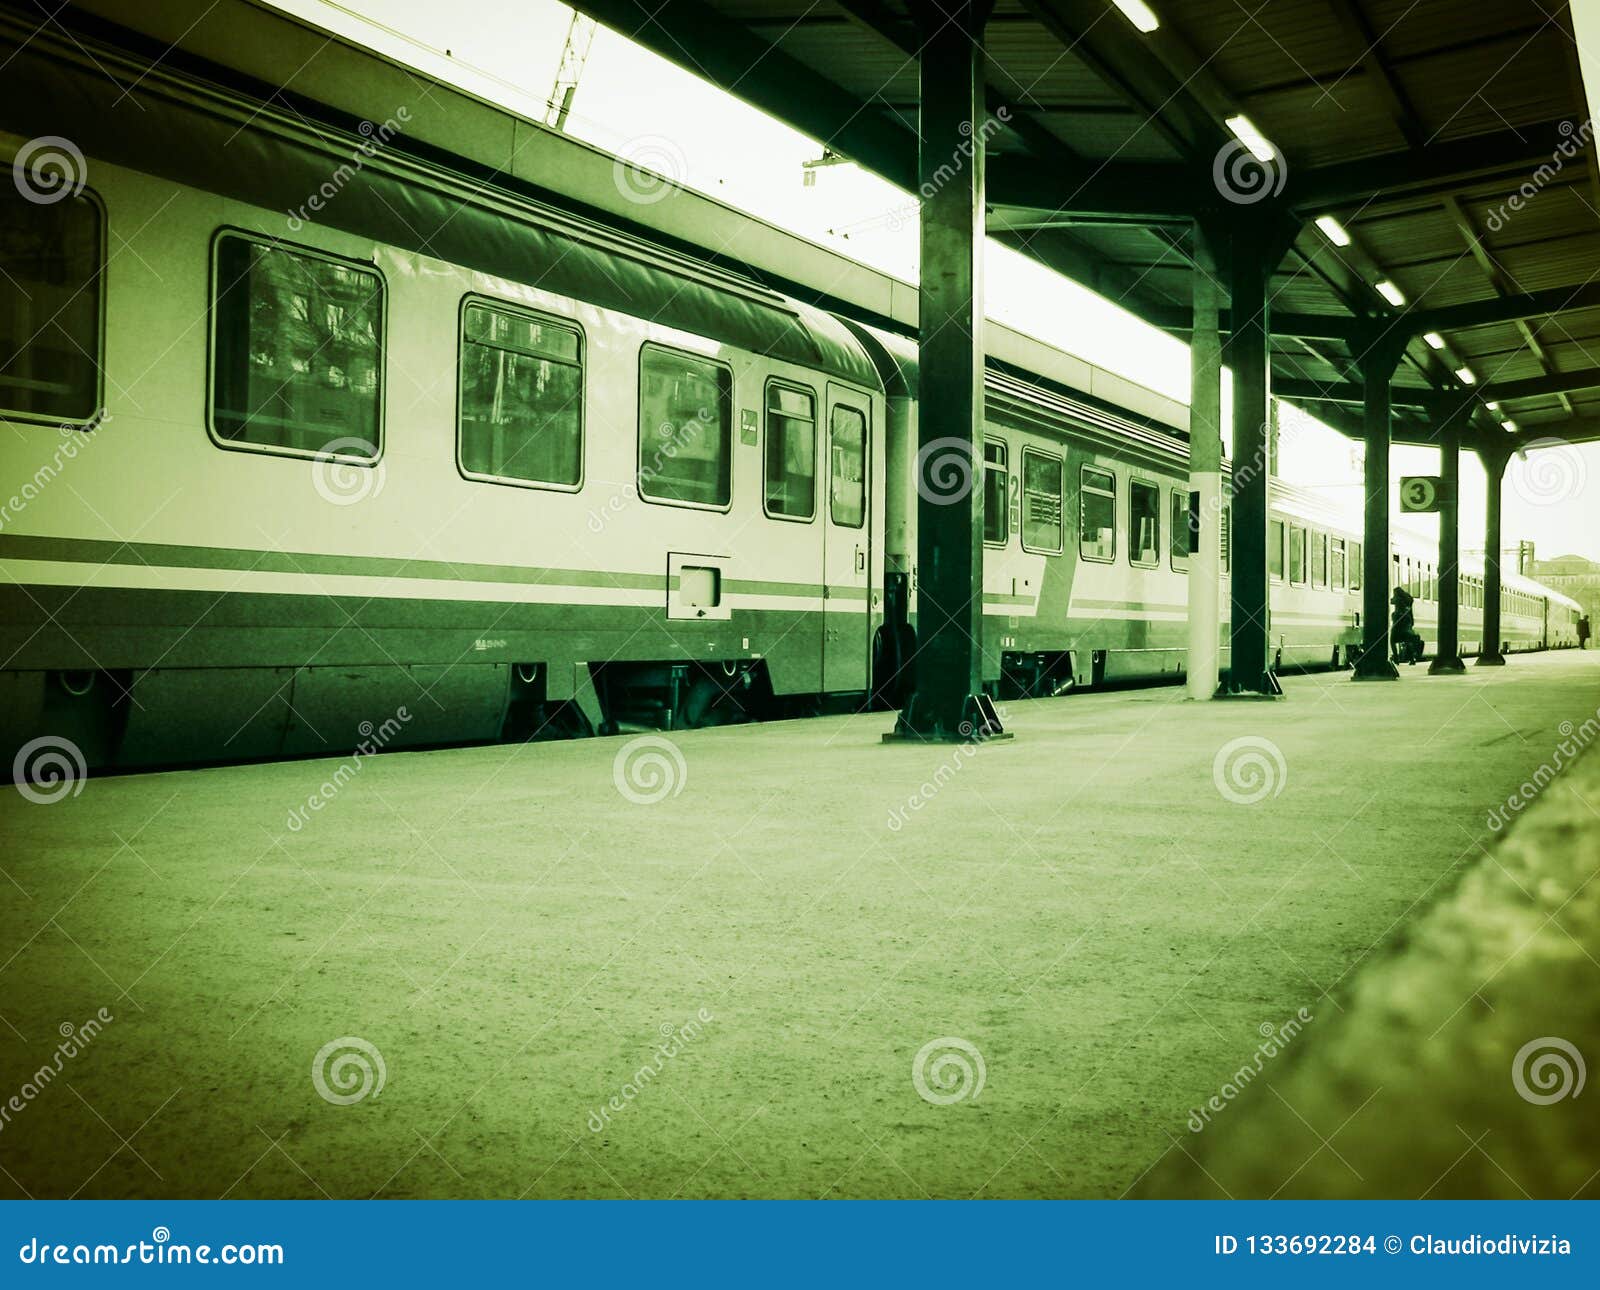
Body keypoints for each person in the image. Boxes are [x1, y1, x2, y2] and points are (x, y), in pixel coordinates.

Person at [1391, 585, 1421, 664]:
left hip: (1398, 622)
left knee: (1392, 640)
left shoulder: (1398, 599)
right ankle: (1412, 659)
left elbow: (1391, 601)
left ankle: (1396, 658)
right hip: (1408, 621)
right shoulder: (1408, 599)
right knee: (1407, 640)